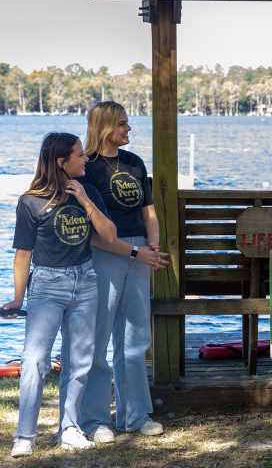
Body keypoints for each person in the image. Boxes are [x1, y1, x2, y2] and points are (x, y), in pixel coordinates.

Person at [2, 133, 116, 457]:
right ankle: (25, 436)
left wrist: (84, 200)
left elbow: (109, 235)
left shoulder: (87, 191)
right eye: (80, 155)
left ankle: (69, 429)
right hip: (48, 287)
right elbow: (23, 254)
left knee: (78, 362)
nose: (86, 159)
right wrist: (18, 298)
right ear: (61, 162)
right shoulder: (30, 201)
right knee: (35, 360)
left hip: (86, 283)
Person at [78, 101, 169, 443]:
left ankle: (134, 415)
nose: (128, 129)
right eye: (121, 124)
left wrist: (153, 247)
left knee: (135, 337)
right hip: (106, 251)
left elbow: (150, 212)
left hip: (140, 252)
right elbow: (92, 231)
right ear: (104, 127)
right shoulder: (87, 168)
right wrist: (135, 251)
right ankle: (94, 420)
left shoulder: (134, 162)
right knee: (99, 337)